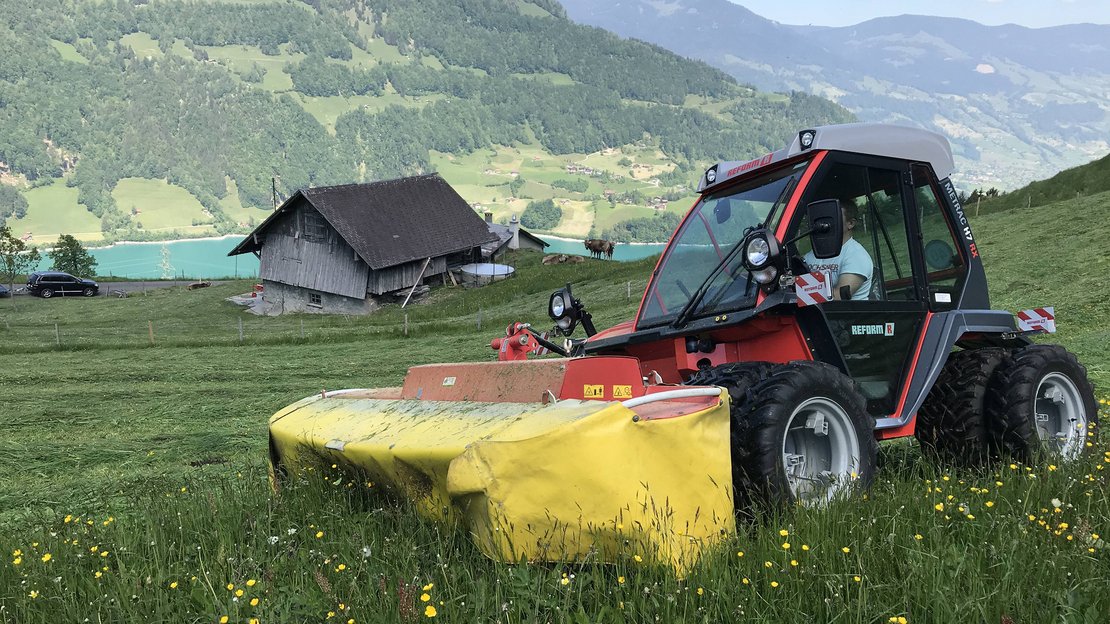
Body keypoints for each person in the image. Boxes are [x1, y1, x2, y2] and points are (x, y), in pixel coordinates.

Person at [803, 199, 873, 300]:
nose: (827, 223)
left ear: (851, 223)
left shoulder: (857, 256)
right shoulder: (811, 255)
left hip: (846, 310)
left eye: (835, 217)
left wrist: (799, 293)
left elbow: (840, 295)